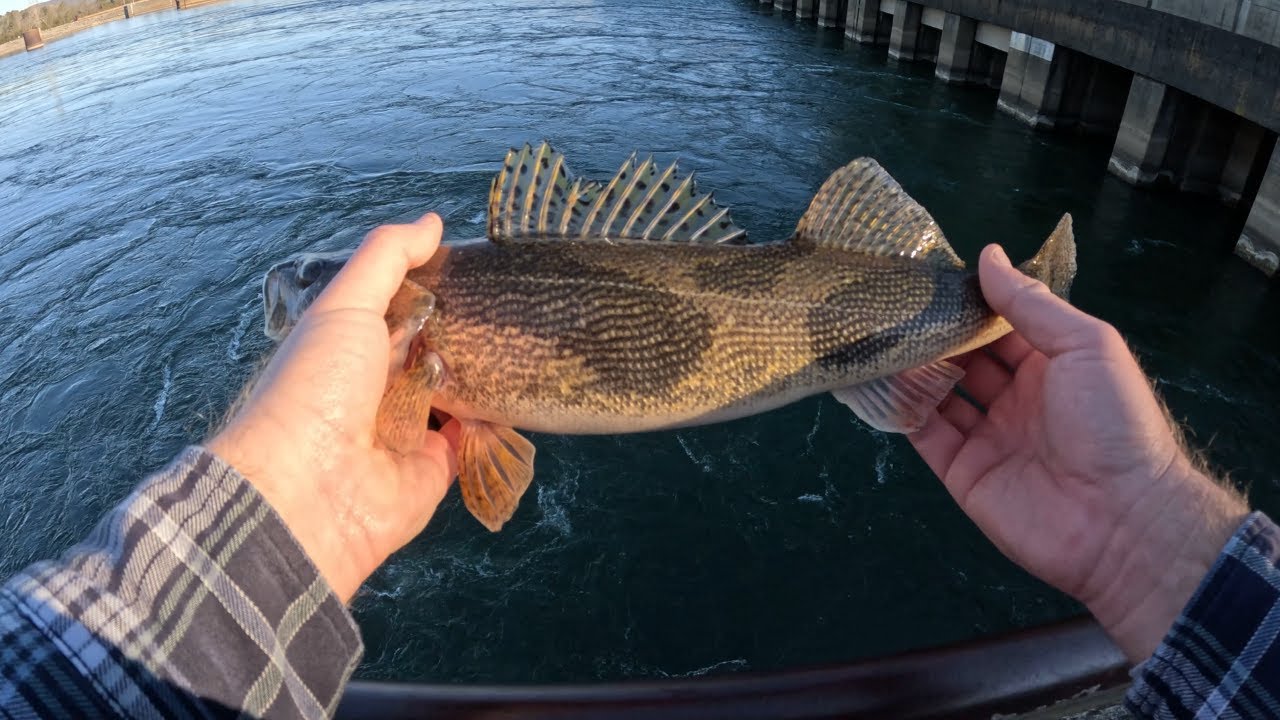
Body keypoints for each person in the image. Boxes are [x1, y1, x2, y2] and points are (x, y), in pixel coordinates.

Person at [0, 212, 1272, 718]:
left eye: (315, 296)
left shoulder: (413, 328)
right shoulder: (418, 359)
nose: (303, 308)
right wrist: (1151, 535)